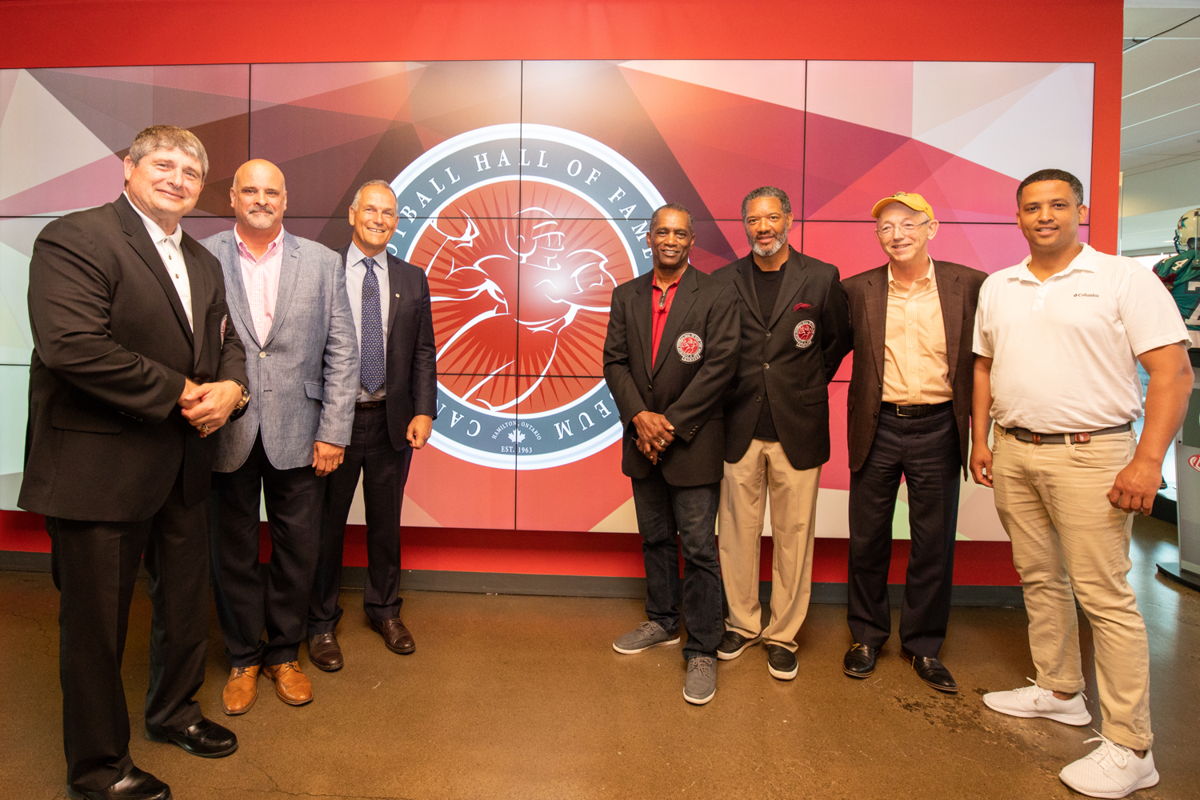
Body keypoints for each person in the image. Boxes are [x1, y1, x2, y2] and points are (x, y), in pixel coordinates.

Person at [21, 125, 247, 800]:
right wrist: (182, 390)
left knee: (183, 605)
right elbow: (70, 346)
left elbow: (225, 342)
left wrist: (232, 388)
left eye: (190, 171)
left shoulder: (203, 262)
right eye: (164, 164)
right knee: (95, 628)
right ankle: (98, 767)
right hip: (99, 472)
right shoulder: (77, 238)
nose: (177, 178)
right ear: (129, 168)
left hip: (182, 467)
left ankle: (174, 713)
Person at [971, 169, 1193, 799]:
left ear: (1081, 210)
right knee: (1040, 577)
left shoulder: (1124, 279)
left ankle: (1131, 746)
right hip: (1016, 450)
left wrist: (1148, 461)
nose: (1045, 216)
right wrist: (980, 439)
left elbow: (1173, 374)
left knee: (1105, 596)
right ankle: (1060, 690)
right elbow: (984, 365)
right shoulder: (1000, 286)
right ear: (1017, 217)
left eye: (1058, 205)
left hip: (1093, 454)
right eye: (1032, 207)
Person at [202, 159, 357, 715]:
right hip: (226, 430)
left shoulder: (321, 261)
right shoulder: (202, 254)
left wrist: (335, 429)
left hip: (304, 431)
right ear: (232, 197)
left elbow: (343, 350)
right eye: (250, 190)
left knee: (298, 550)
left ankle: (284, 654)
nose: (261, 199)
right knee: (233, 550)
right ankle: (244, 655)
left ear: (286, 199)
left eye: (271, 191)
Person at [841, 192, 985, 693]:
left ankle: (923, 645)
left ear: (932, 228)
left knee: (933, 543)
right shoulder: (856, 290)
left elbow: (988, 361)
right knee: (868, 538)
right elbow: (824, 354)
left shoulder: (968, 285)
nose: (896, 234)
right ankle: (866, 636)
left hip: (939, 426)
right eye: (885, 227)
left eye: (907, 224)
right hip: (876, 427)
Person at [603, 203, 739, 705]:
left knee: (700, 549)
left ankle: (703, 646)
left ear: (691, 241)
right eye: (662, 231)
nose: (671, 240)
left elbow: (721, 366)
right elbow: (614, 362)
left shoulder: (718, 293)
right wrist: (641, 417)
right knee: (656, 538)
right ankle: (662, 621)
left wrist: (671, 424)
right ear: (649, 237)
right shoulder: (626, 295)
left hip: (693, 442)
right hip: (642, 441)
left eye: (680, 233)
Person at [712, 186, 850, 680]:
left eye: (772, 217)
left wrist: (802, 384)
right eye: (753, 220)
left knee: (794, 536)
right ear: (744, 225)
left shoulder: (822, 276)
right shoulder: (723, 280)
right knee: (736, 534)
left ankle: (782, 634)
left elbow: (833, 343)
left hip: (799, 425)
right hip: (738, 426)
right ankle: (742, 624)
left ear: (790, 219)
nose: (763, 227)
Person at [307, 180, 437, 670]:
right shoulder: (322, 271)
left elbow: (423, 350)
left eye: (389, 212)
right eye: (371, 210)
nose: (379, 219)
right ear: (352, 214)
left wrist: (424, 410)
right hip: (333, 425)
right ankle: (320, 622)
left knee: (386, 525)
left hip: (391, 423)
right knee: (325, 527)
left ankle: (385, 610)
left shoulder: (412, 278)